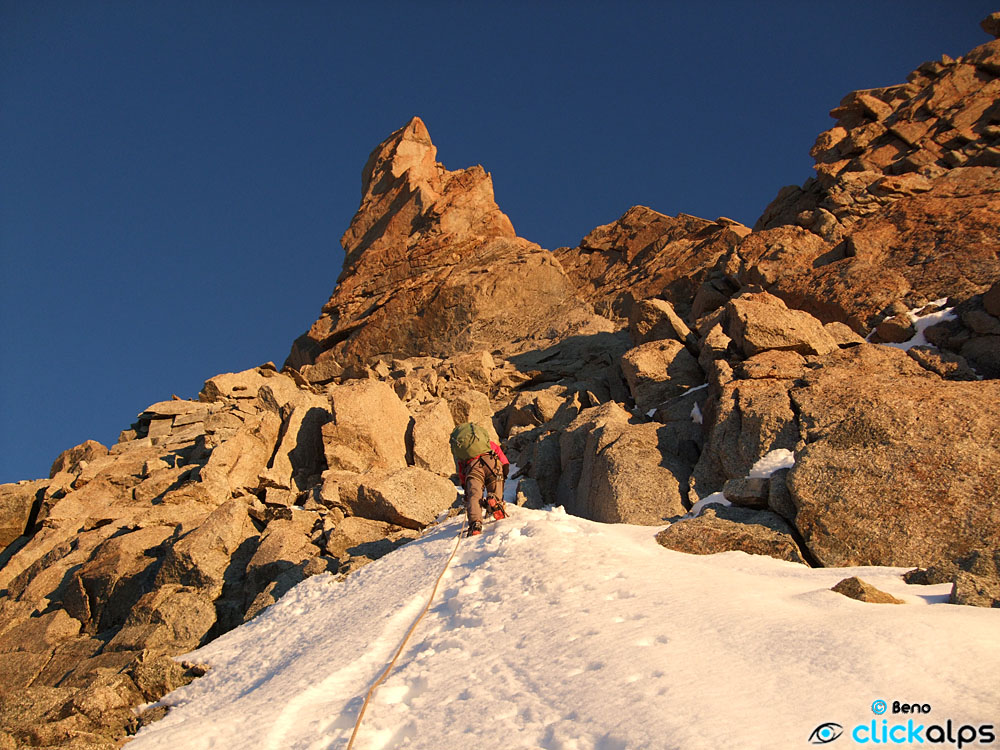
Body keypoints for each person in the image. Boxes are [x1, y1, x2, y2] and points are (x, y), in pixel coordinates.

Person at [450, 422, 510, 536]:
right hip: (492, 463)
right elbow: (502, 457)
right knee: (495, 485)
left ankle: (476, 523)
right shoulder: (488, 444)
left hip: (473, 467)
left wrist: (464, 485)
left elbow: (461, 469)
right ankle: (495, 500)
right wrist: (505, 469)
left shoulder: (464, 452)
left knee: (474, 495)